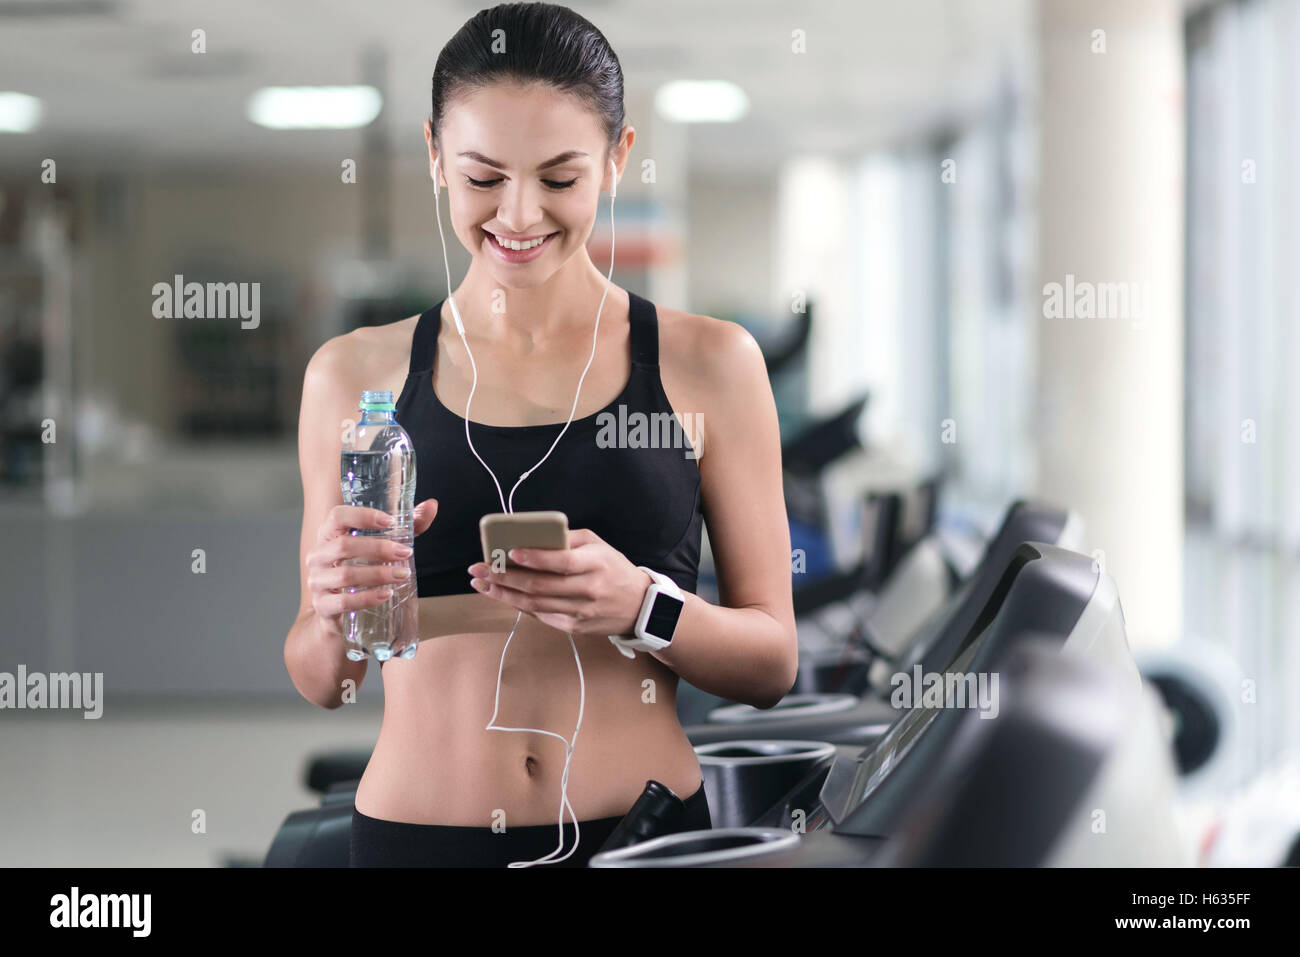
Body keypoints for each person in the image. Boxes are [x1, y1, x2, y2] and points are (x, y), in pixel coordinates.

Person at [283, 1, 796, 867]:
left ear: (618, 158)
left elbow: (772, 660)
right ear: (436, 156)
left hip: (642, 837)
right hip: (418, 837)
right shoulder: (352, 375)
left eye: (560, 180)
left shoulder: (710, 362)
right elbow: (323, 680)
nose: (519, 217)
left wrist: (642, 606)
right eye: (484, 178)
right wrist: (335, 612)